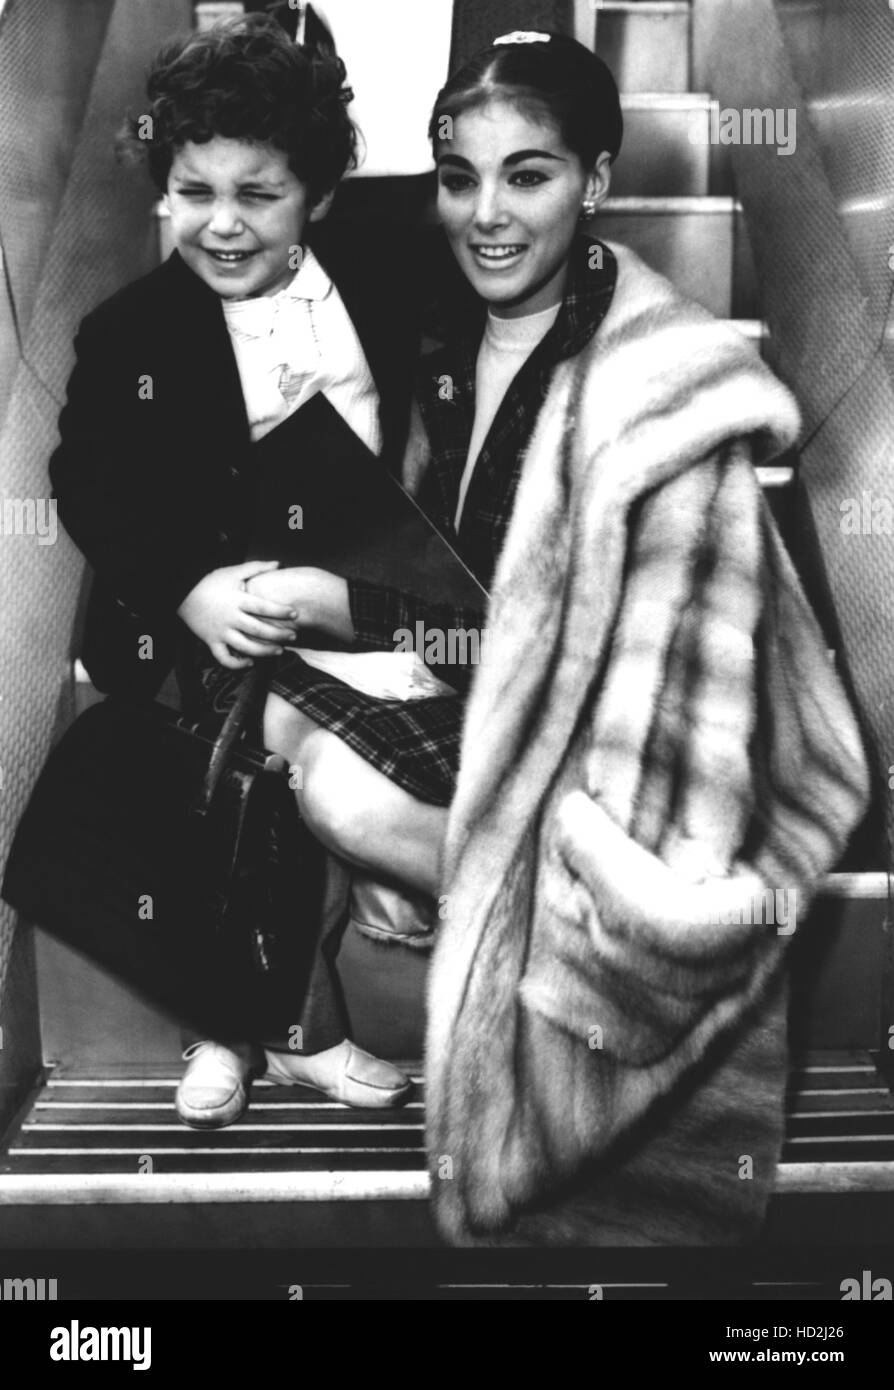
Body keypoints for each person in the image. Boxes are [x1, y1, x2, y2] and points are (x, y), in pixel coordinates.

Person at [251, 29, 869, 1244]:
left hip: (588, 759)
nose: (485, 213)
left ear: (595, 181)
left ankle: (450, 891)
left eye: (528, 175)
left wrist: (361, 614)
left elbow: (645, 716)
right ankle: (374, 915)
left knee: (337, 786)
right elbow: (465, 587)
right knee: (250, 694)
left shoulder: (659, 402)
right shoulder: (430, 328)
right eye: (459, 177)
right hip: (481, 695)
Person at [48, 13, 422, 1126]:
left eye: (257, 195)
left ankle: (309, 1016)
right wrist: (185, 588)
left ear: (319, 194)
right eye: (193, 191)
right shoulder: (131, 334)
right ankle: (232, 1021)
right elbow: (89, 484)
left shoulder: (390, 274)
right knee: (227, 756)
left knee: (367, 737)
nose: (221, 224)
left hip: (361, 591)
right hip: (212, 610)